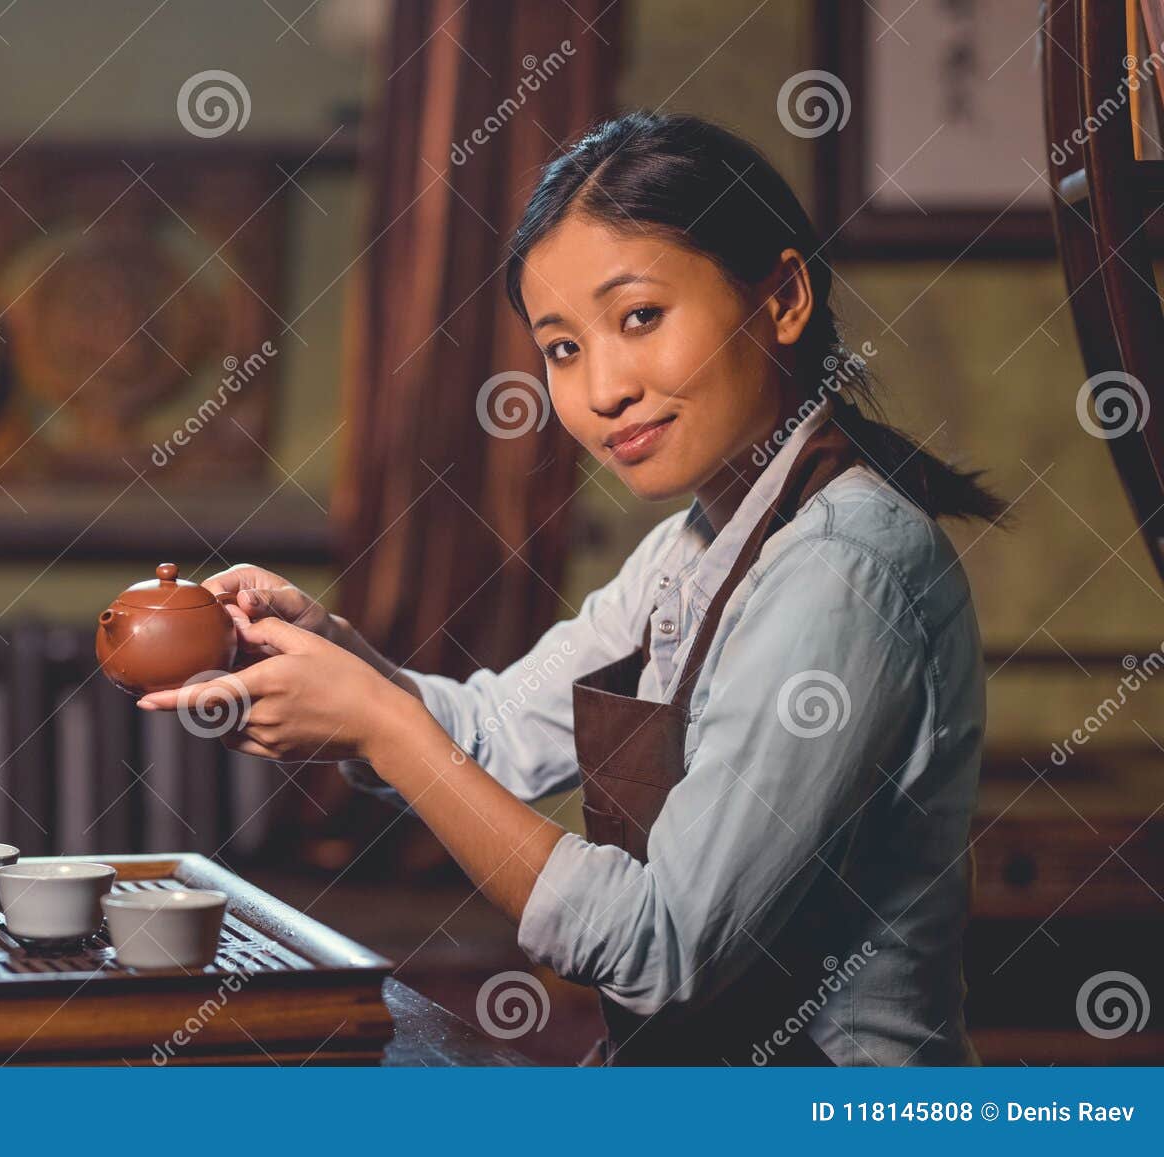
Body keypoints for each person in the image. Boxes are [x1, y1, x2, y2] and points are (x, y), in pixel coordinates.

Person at [139, 111, 1003, 1066]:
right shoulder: (697, 544)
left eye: (639, 317)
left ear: (784, 297)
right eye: (561, 349)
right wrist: (334, 650)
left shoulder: (842, 570)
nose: (602, 391)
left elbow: (657, 949)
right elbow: (494, 733)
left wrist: (381, 722)